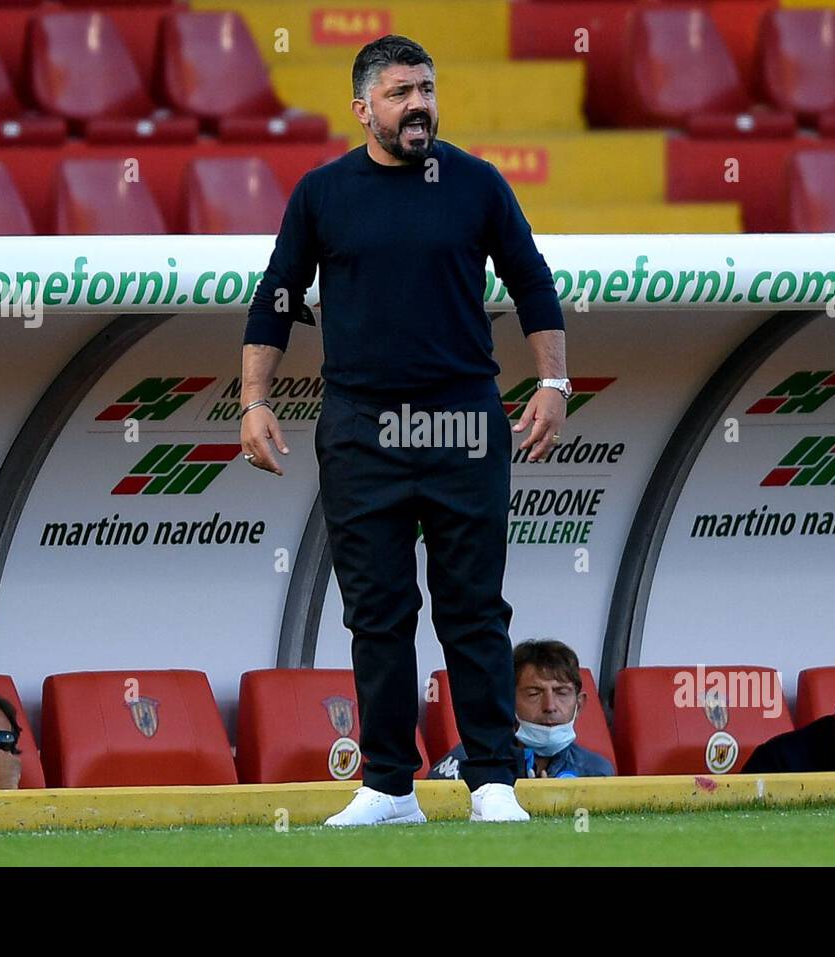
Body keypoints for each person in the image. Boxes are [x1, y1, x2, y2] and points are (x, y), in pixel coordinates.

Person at [241, 35, 569, 825]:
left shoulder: (477, 183)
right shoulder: (322, 192)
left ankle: (492, 779)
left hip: (462, 416)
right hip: (361, 424)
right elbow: (277, 294)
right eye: (399, 92)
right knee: (378, 613)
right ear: (363, 109)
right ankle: (389, 785)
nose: (418, 103)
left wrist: (553, 381)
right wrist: (254, 398)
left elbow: (531, 279)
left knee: (474, 606)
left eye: (425, 87)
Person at [428, 640, 614, 780]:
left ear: (579, 705)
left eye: (561, 693)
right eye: (534, 694)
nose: (550, 706)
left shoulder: (597, 772)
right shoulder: (469, 761)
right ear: (508, 701)